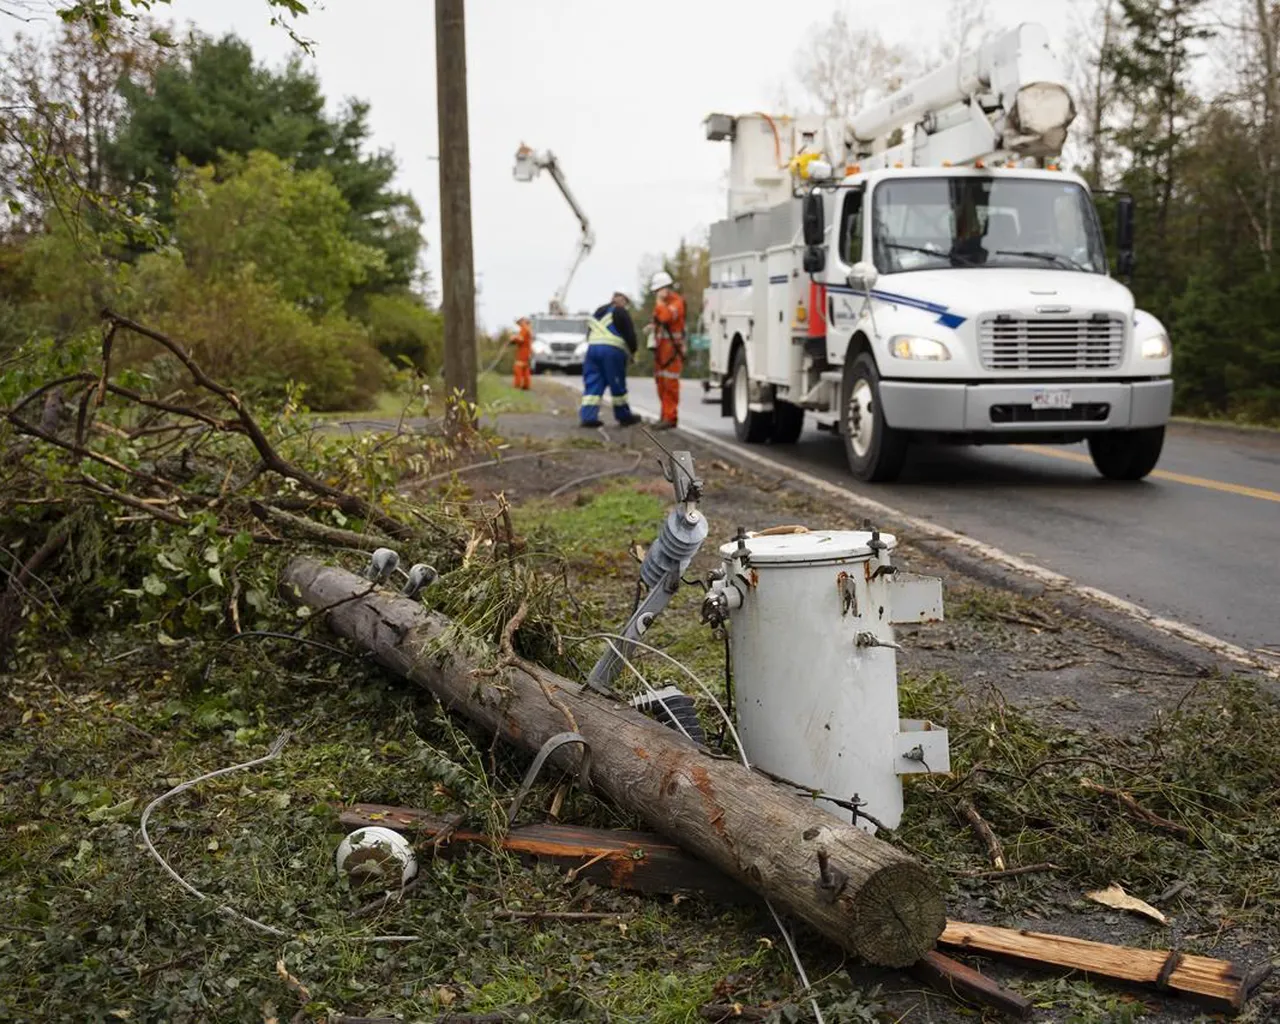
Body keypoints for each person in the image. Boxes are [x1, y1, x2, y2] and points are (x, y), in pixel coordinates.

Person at [580, 291, 642, 428]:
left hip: (592, 350)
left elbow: (589, 331)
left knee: (593, 382)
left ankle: (588, 417)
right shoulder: (621, 312)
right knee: (617, 383)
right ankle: (624, 416)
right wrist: (633, 352)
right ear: (623, 299)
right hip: (611, 351)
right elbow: (630, 335)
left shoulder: (599, 311)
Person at [650, 270, 686, 429]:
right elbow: (658, 319)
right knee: (661, 384)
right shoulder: (663, 304)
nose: (658, 294)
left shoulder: (676, 303)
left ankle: (670, 417)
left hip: (672, 351)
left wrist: (659, 303)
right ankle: (664, 415)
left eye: (659, 291)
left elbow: (665, 317)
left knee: (670, 385)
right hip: (661, 351)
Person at [510, 316, 533, 390]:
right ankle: (526, 385)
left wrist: (513, 338)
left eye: (518, 322)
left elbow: (521, 339)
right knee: (525, 368)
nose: (518, 324)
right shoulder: (528, 328)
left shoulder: (524, 328)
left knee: (518, 368)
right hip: (527, 351)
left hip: (523, 352)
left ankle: (517, 385)